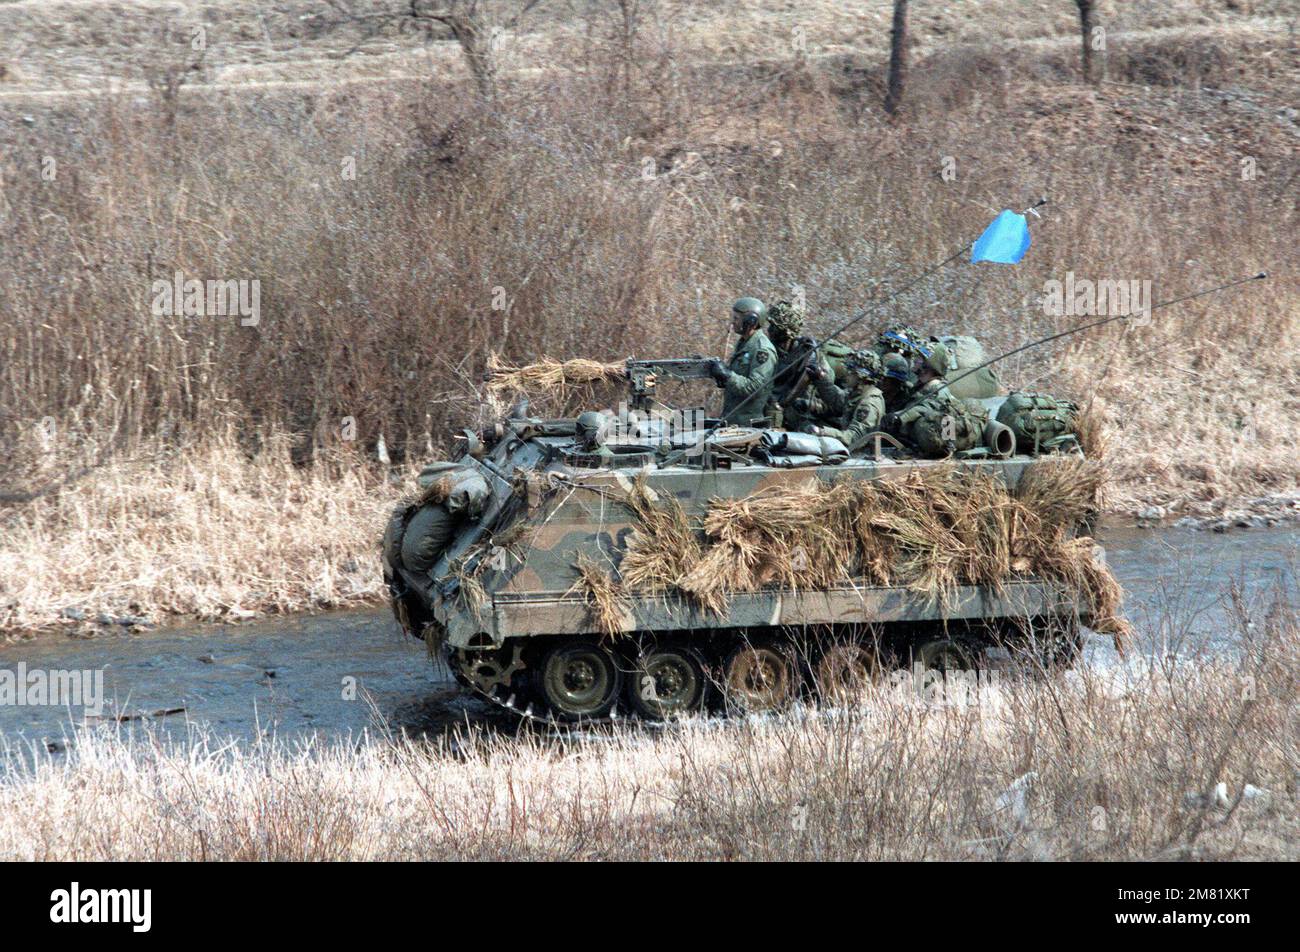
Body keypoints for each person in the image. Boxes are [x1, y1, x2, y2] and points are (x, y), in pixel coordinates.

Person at [885, 342, 987, 457]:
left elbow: (925, 407)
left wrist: (900, 417)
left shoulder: (939, 390)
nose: (915, 363)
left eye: (920, 360)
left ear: (928, 366)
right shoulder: (921, 385)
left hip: (939, 442)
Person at [800, 350, 886, 454]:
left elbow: (854, 438)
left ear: (861, 376)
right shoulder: (858, 393)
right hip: (851, 450)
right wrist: (821, 378)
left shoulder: (868, 403)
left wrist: (822, 431)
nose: (846, 374)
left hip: (859, 455)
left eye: (851, 372)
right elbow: (838, 400)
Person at [708, 297, 778, 424]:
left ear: (751, 321)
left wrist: (728, 376)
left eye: (736, 318)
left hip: (748, 424)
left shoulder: (762, 350)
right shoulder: (744, 343)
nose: (732, 322)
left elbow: (754, 388)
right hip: (732, 419)